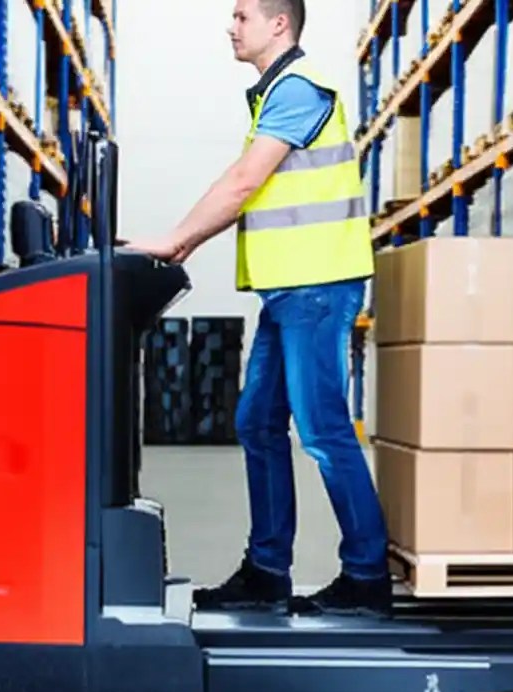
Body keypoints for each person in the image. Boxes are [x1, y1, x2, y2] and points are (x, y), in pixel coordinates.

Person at [126, 0, 392, 617]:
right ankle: (268, 570)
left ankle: (366, 576)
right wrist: (183, 239)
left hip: (318, 287)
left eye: (242, 15)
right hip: (288, 290)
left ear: (280, 24)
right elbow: (243, 182)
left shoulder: (300, 90)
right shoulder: (274, 96)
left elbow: (245, 182)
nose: (231, 26)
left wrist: (173, 240)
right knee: (256, 423)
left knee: (324, 430)